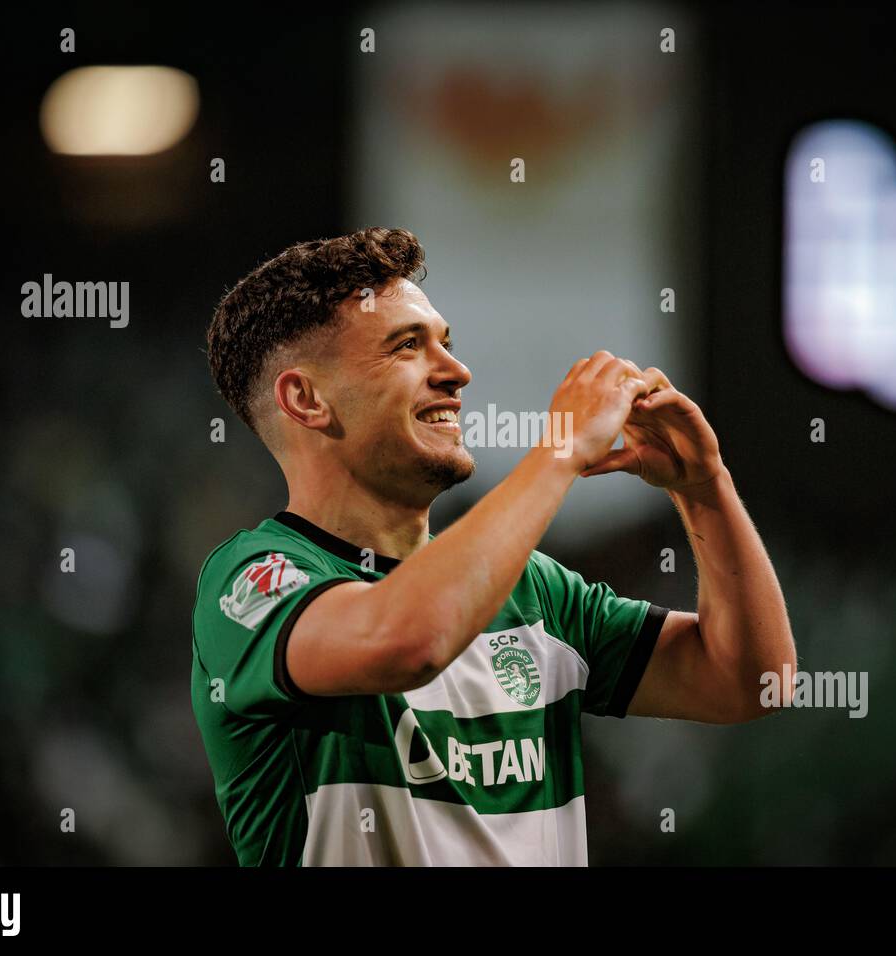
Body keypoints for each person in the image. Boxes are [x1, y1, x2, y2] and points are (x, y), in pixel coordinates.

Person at [192, 227, 796, 865]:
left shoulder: (535, 589)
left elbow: (754, 681)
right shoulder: (253, 580)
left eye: (446, 345)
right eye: (407, 348)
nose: (457, 372)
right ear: (306, 399)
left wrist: (705, 489)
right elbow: (409, 640)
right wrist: (561, 449)